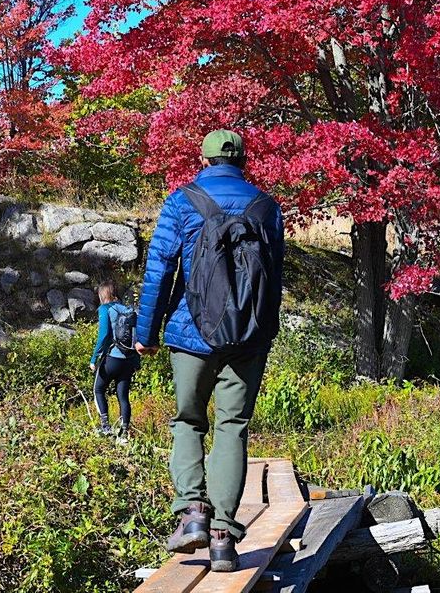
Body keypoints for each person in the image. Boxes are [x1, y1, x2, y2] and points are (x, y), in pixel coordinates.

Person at [134, 130, 284, 573]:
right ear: (241, 159)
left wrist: (147, 331)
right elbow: (273, 276)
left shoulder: (183, 201)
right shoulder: (266, 206)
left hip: (191, 333)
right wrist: (263, 332)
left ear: (204, 156)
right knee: (233, 427)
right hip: (249, 338)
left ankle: (192, 512)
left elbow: (158, 269)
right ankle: (222, 540)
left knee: (188, 421)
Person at [90, 282, 140, 437]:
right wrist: (136, 362)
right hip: (128, 360)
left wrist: (94, 358)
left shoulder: (105, 309)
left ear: (102, 295)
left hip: (112, 358)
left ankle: (105, 428)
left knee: (98, 389)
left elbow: (104, 335)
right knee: (123, 395)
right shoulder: (128, 310)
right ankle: (125, 432)